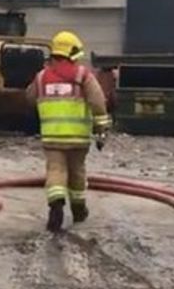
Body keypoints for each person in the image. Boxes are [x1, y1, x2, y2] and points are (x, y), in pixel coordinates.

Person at [26, 31, 111, 232]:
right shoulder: (83, 76)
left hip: (52, 137)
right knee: (77, 171)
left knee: (56, 170)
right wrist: (101, 130)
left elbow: (29, 98)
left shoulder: (41, 77)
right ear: (71, 53)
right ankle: (78, 209)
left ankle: (56, 206)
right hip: (78, 138)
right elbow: (98, 102)